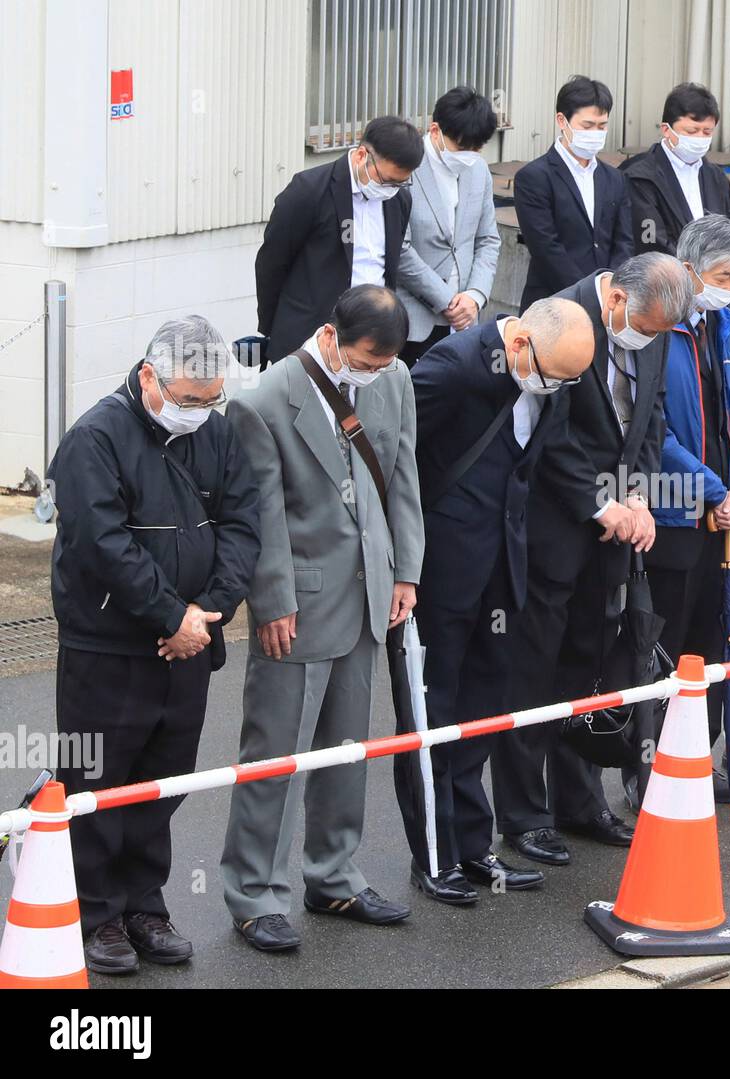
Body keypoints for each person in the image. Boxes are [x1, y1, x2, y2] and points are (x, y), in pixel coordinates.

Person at [47, 317, 260, 975]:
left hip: (189, 644)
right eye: (188, 399)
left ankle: (145, 901)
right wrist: (171, 614)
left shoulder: (216, 433)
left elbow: (242, 522)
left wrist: (208, 610)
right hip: (108, 646)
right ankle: (97, 911)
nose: (199, 412)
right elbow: (103, 545)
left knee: (163, 781)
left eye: (210, 399)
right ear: (149, 376)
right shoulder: (95, 438)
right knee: (99, 781)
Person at [221, 284, 424, 952]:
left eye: (383, 363)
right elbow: (263, 513)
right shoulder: (266, 401)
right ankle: (256, 893)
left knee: (347, 746)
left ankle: (333, 873)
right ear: (333, 334)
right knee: (274, 752)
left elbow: (400, 473)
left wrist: (405, 570)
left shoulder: (393, 380)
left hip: (367, 590)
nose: (371, 373)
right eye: (364, 360)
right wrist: (272, 599)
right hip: (299, 599)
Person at [490, 253, 695, 863]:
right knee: (535, 672)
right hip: (556, 526)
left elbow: (651, 419)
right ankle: (524, 814)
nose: (650, 340)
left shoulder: (652, 326)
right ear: (615, 302)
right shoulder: (561, 320)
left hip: (616, 528)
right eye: (646, 327)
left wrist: (640, 495)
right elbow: (548, 435)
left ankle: (579, 802)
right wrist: (599, 502)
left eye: (660, 333)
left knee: (590, 667)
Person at [407, 297, 595, 903]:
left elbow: (545, 460)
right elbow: (399, 462)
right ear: (519, 346)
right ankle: (434, 856)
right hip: (440, 570)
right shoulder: (450, 369)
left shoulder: (548, 375)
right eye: (556, 376)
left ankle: (472, 846)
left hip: (502, 565)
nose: (560, 388)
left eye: (570, 380)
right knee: (432, 716)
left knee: (482, 710)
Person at [647, 214, 730, 752]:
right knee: (665, 643)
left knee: (712, 642)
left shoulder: (726, 326)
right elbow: (656, 428)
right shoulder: (656, 327)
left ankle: (696, 754)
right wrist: (714, 488)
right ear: (689, 270)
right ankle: (647, 764)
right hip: (673, 513)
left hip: (722, 514)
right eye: (722, 275)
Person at [255, 116, 423, 365]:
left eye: (401, 183)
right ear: (361, 156)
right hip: (310, 337)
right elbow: (272, 263)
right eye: (386, 180)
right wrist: (277, 330)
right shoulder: (309, 190)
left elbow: (389, 269)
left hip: (370, 341)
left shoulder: (398, 200)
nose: (391, 188)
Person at [395, 85, 501, 364]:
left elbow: (487, 239)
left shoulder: (478, 170)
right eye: (461, 146)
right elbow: (399, 248)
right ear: (434, 131)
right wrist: (448, 301)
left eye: (476, 148)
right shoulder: (405, 167)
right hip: (412, 323)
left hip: (465, 321)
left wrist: (475, 296)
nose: (469, 154)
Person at [514, 75, 635, 309]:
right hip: (554, 303)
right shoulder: (534, 177)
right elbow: (546, 249)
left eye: (602, 126)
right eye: (587, 126)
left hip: (609, 304)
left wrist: (612, 289)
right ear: (562, 120)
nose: (596, 133)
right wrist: (590, 295)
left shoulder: (615, 178)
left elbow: (624, 242)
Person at [622, 82, 730, 256]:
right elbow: (652, 242)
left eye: (707, 132)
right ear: (666, 129)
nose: (700, 138)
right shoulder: (640, 177)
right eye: (692, 131)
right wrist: (695, 276)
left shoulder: (716, 177)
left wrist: (728, 273)